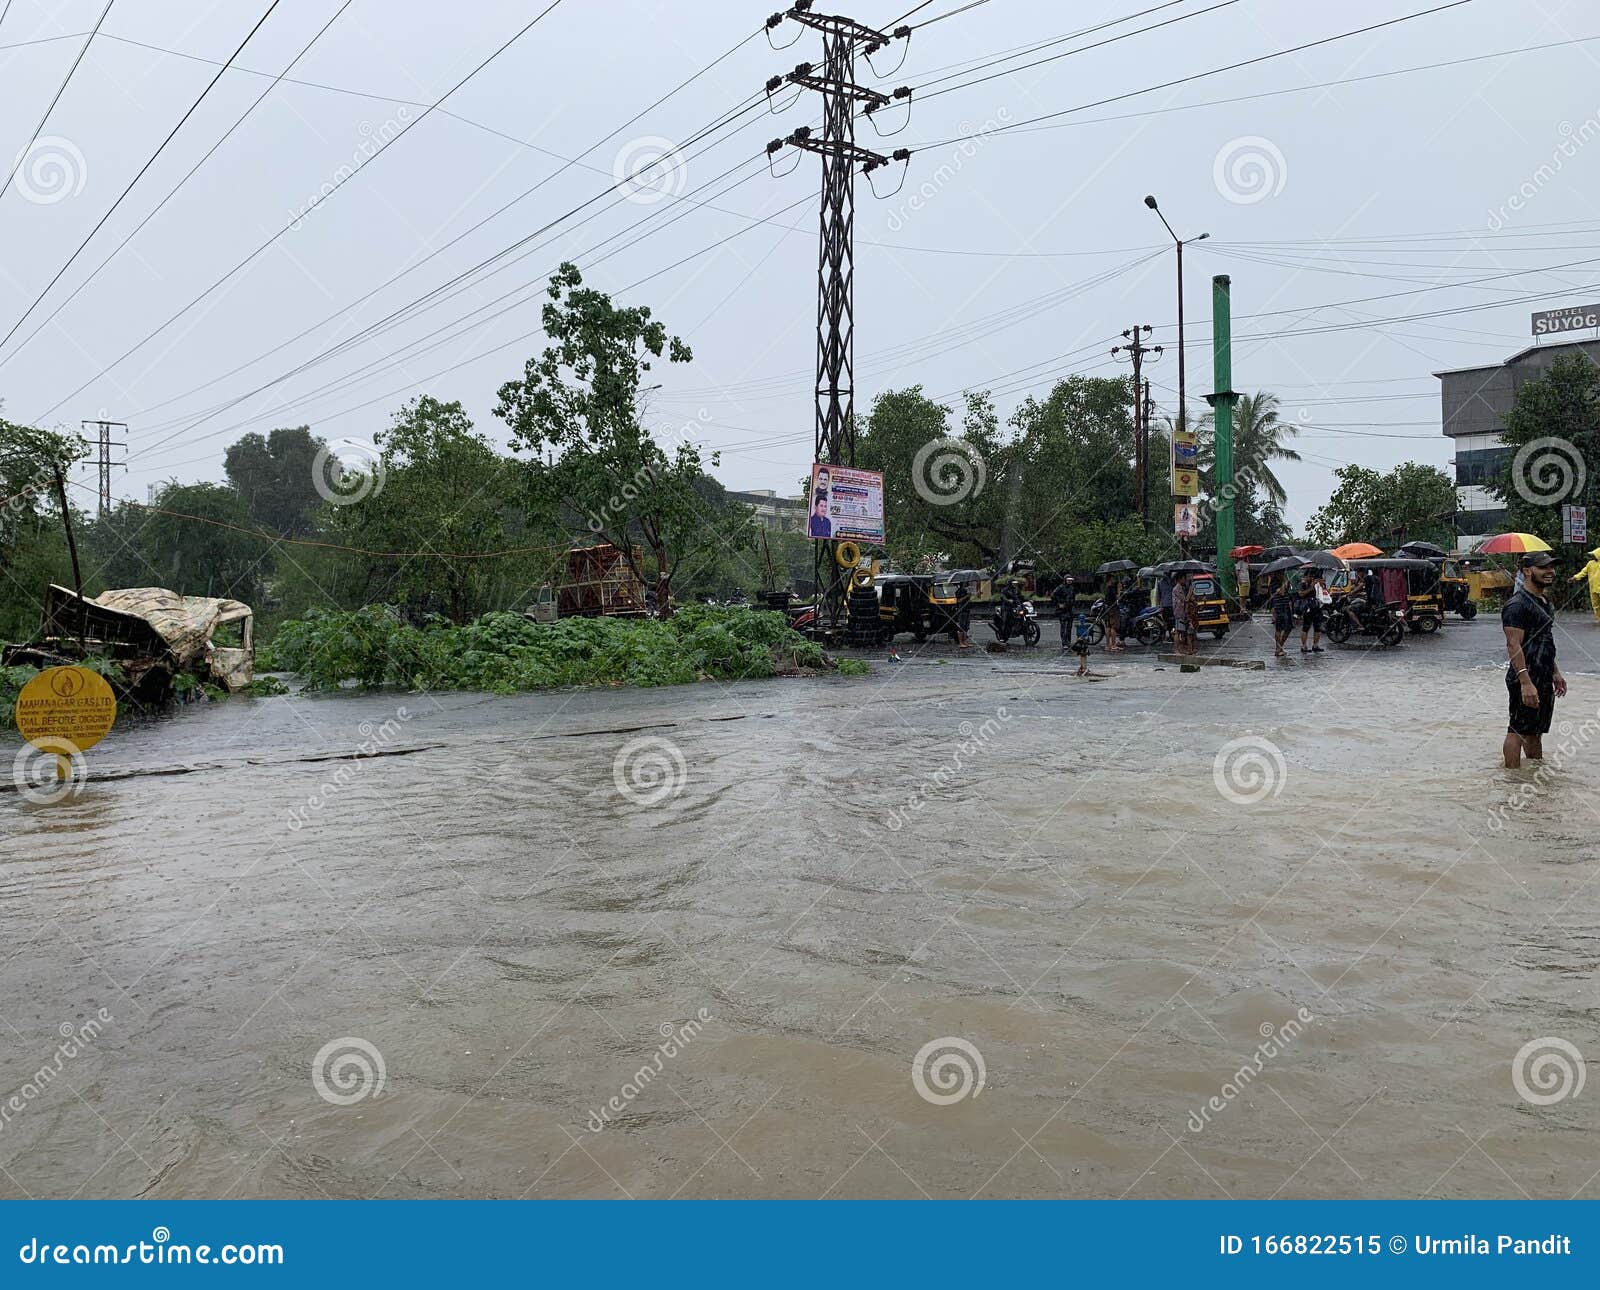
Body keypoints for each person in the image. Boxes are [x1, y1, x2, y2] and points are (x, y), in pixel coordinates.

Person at [1502, 551, 1566, 767]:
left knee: (1535, 731)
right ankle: (1511, 780)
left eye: (1551, 567)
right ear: (1527, 571)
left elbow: (1545, 640)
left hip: (1543, 675)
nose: (1550, 571)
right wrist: (1525, 682)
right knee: (1517, 730)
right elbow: (1513, 645)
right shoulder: (1517, 605)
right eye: (1543, 567)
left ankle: (1533, 776)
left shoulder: (1545, 602)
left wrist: (1555, 672)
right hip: (1525, 677)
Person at [1298, 569, 1326, 653]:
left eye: (1313, 577)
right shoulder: (1303, 584)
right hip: (1308, 607)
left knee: (1318, 627)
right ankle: (1304, 646)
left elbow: (1324, 593)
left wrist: (1321, 585)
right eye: (1310, 576)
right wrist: (1311, 587)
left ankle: (1315, 645)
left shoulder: (1318, 584)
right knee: (1306, 627)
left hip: (1317, 607)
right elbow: (1301, 594)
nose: (1311, 578)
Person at [1269, 575, 1296, 658]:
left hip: (1286, 607)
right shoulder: (1274, 584)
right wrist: (1284, 583)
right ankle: (1278, 648)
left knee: (1289, 628)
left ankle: (1280, 647)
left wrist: (1288, 584)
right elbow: (1282, 592)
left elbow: (1288, 592)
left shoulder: (1284, 582)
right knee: (1279, 629)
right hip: (1279, 608)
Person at [1571, 547, 1600, 623]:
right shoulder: (1590, 563)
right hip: (1593, 588)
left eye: (1594, 554)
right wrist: (1575, 577)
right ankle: (1599, 618)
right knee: (1595, 605)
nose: (1592, 556)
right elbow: (1583, 572)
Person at [1050, 576, 1076, 650]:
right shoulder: (1060, 587)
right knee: (1064, 627)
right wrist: (1059, 604)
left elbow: (1073, 597)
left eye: (1071, 580)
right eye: (1068, 580)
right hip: (1062, 610)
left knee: (1069, 627)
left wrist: (1073, 603)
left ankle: (1068, 642)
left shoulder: (1072, 588)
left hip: (1070, 609)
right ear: (1065, 580)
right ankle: (1064, 643)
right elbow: (1053, 595)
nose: (1069, 581)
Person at [1171, 574, 1194, 655]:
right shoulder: (1177, 589)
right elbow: (1185, 599)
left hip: (1183, 612)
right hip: (1179, 612)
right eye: (1184, 579)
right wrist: (1190, 592)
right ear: (1179, 579)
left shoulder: (1182, 588)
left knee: (1184, 631)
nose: (1185, 580)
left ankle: (1184, 649)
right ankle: (1176, 650)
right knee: (1178, 631)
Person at [1104, 576, 1124, 653]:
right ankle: (1113, 645)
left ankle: (1108, 645)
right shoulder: (1111, 588)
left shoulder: (1107, 588)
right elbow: (1117, 598)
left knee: (1108, 626)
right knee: (1113, 627)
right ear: (1110, 579)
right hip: (1113, 609)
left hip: (1107, 608)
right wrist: (1119, 590)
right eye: (1113, 578)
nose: (1115, 580)